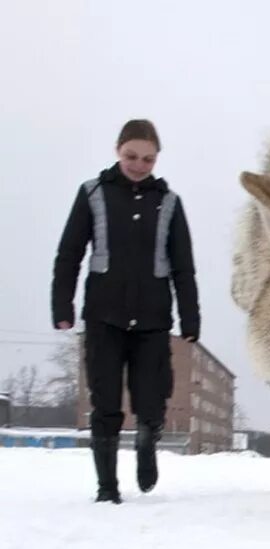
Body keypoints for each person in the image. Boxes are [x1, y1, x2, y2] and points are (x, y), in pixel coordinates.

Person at [50, 119, 200, 503]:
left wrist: (190, 318)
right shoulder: (92, 194)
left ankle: (148, 441)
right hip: (104, 316)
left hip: (153, 319)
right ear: (118, 150)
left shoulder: (169, 203)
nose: (139, 165)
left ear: (157, 159)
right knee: (105, 401)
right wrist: (62, 305)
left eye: (148, 159)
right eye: (132, 156)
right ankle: (107, 487)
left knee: (151, 399)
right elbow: (69, 254)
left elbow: (183, 265)